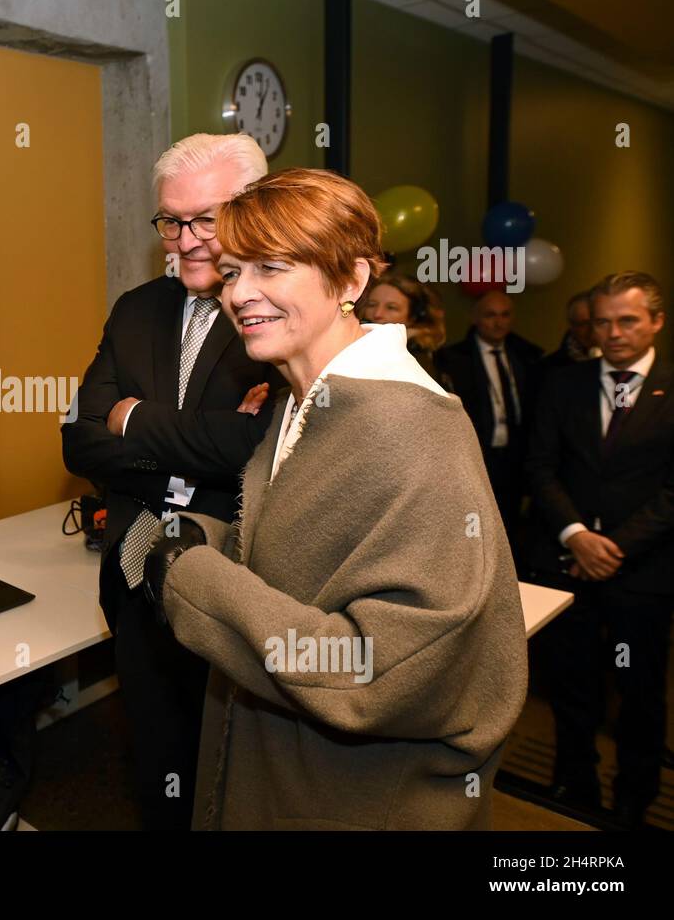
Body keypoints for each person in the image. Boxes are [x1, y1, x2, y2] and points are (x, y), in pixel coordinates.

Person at [143, 168, 528, 830]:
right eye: (232, 272)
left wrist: (191, 576)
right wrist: (203, 534)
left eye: (272, 266)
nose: (242, 293)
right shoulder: (309, 400)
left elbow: (375, 669)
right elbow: (296, 552)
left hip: (359, 802)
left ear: (351, 281)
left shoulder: (409, 428)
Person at [60, 133, 275, 830]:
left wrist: (138, 419)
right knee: (160, 766)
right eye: (171, 221)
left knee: (238, 776)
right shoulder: (136, 308)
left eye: (206, 219)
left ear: (255, 212)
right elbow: (79, 440)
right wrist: (201, 442)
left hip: (243, 583)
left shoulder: (275, 312)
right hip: (135, 574)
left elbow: (261, 448)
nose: (185, 240)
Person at [525, 270, 672, 829]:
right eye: (603, 321)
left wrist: (614, 546)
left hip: (643, 574)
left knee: (639, 688)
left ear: (655, 322)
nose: (613, 332)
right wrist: (577, 536)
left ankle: (635, 793)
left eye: (627, 320)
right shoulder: (564, 383)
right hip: (567, 564)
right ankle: (574, 781)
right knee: (572, 682)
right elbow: (539, 467)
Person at [436, 290, 544, 552]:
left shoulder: (528, 356)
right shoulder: (451, 359)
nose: (498, 322)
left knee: (511, 530)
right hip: (476, 457)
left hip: (516, 459)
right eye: (490, 315)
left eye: (505, 315)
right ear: (475, 318)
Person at [358, 271, 445, 380]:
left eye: (391, 308)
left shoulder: (417, 356)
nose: (377, 314)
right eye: (372, 305)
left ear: (413, 317)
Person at [544, 290, 599, 367]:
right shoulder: (550, 369)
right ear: (572, 327)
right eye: (584, 324)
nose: (593, 329)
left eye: (599, 321)